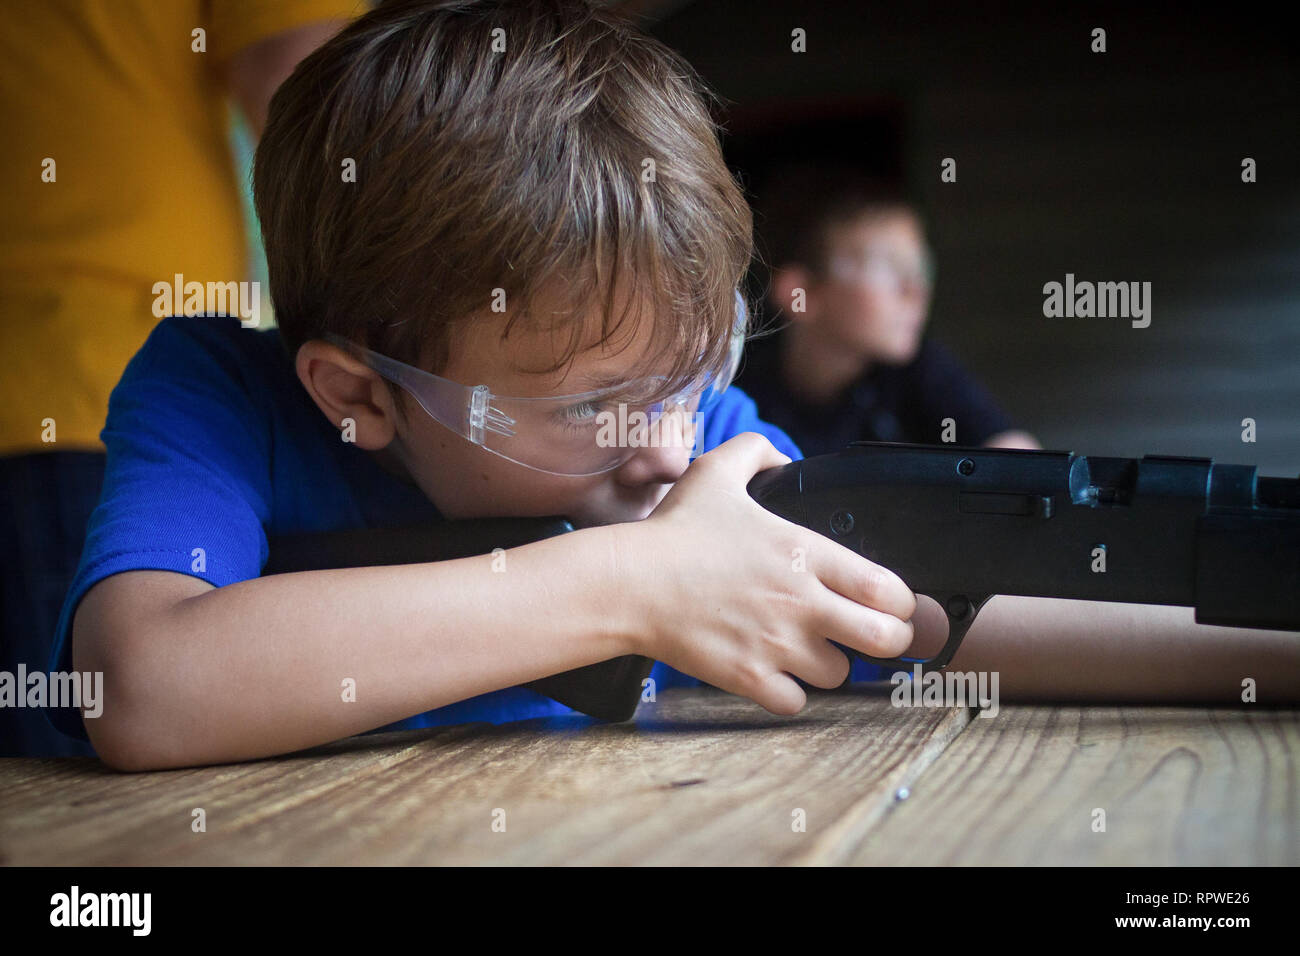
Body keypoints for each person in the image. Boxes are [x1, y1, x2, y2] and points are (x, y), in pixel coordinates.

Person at [49, 0, 1298, 772]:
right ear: (357, 396)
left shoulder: (691, 434)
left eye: (695, 376)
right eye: (595, 405)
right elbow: (141, 688)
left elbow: (958, 610)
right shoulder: (218, 386)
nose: (666, 444)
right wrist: (627, 585)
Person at [0, 0, 358, 756]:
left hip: (55, 374)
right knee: (87, 800)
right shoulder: (198, 396)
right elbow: (314, 97)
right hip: (91, 377)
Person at [737, 165, 1040, 457]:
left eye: (920, 268)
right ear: (800, 293)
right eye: (889, 268)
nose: (916, 290)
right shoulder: (737, 387)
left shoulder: (920, 371)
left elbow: (1017, 457)